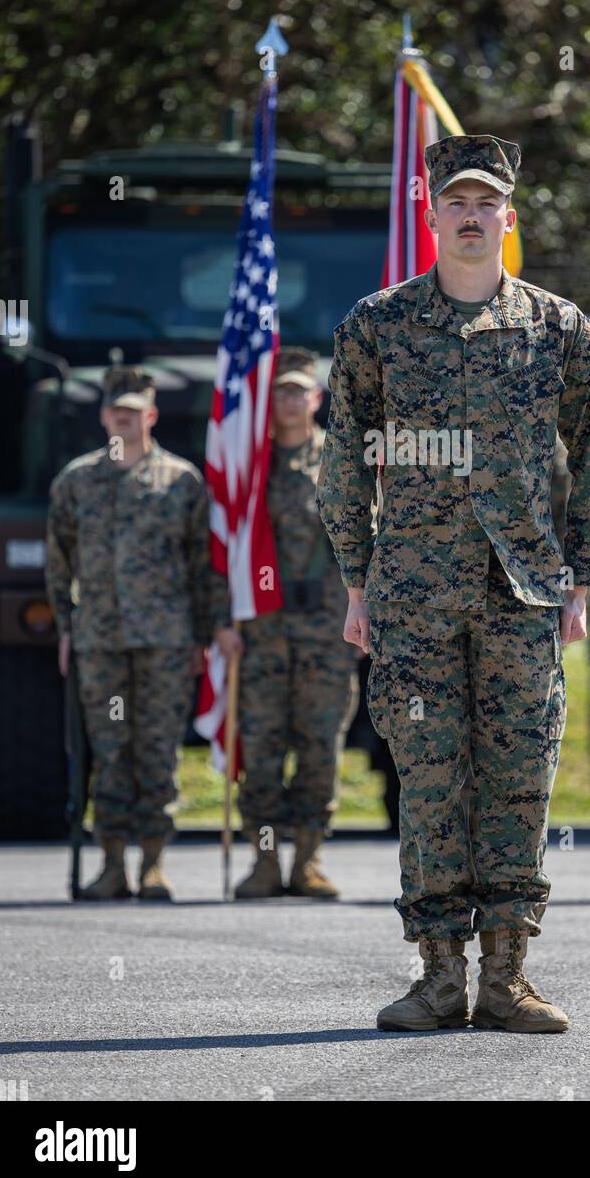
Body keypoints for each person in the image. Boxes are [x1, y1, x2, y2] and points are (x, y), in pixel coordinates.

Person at [317, 134, 590, 1033]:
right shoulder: (376, 325)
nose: (470, 215)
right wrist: (356, 581)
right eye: (455, 200)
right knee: (429, 779)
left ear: (508, 217)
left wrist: (581, 575)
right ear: (431, 212)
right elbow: (342, 461)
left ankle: (507, 977)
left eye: (486, 202)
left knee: (520, 781)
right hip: (411, 595)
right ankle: (438, 977)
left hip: (522, 592)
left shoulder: (560, 328)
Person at [46, 366, 212, 901]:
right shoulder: (75, 481)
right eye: (116, 409)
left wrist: (201, 635)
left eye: (134, 410)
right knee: (112, 749)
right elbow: (58, 562)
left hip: (165, 641)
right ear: (103, 415)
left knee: (158, 749)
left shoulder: (182, 481)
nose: (124, 417)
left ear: (151, 415)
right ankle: (113, 862)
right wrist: (66, 627)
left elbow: (201, 564)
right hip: (100, 639)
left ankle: (155, 865)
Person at [214, 348, 358, 900]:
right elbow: (224, 550)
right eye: (282, 392)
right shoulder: (248, 471)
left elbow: (368, 544)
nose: (292, 400)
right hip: (264, 632)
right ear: (268, 402)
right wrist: (222, 621)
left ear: (318, 399)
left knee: (320, 746)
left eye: (301, 391)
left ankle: (309, 861)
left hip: (325, 631)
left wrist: (369, 617)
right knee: (265, 748)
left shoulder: (341, 463)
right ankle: (265, 861)